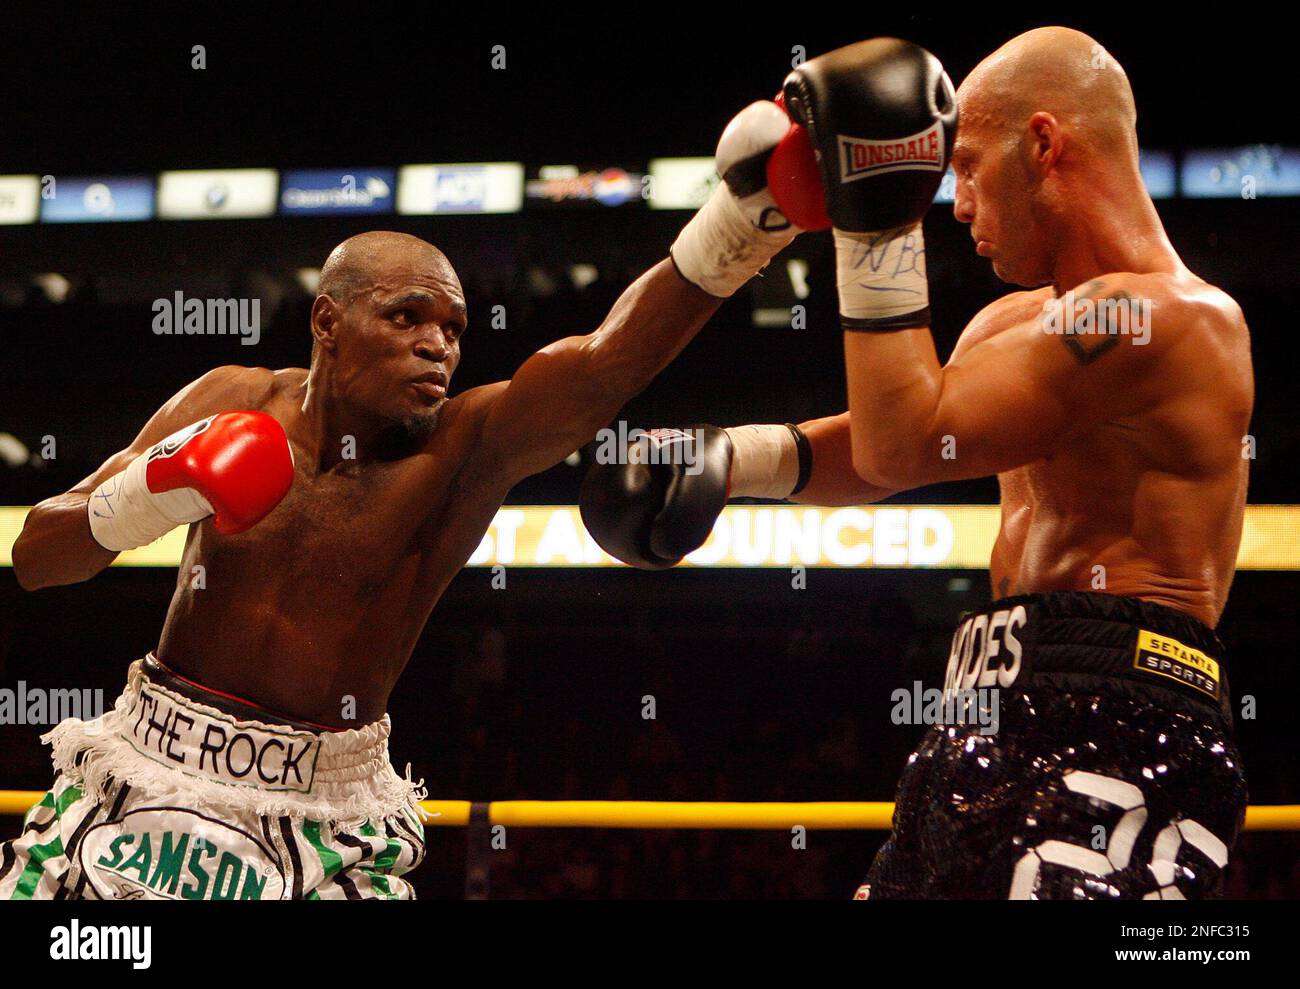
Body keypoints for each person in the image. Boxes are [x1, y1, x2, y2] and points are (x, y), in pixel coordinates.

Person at [2, 75, 822, 898]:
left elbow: (605, 361)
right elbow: (38, 556)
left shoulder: (465, 447)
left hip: (322, 818)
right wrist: (151, 489)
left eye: (455, 329)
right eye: (408, 316)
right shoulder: (231, 398)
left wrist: (740, 225)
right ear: (327, 321)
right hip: (143, 770)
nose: (440, 346)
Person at [581, 29, 1252, 899]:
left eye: (966, 168)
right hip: (981, 708)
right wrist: (727, 457)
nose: (958, 204)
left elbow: (903, 435)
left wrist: (877, 219)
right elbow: (902, 448)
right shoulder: (1013, 326)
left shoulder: (1180, 322)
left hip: (1124, 719)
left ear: (1045, 144)